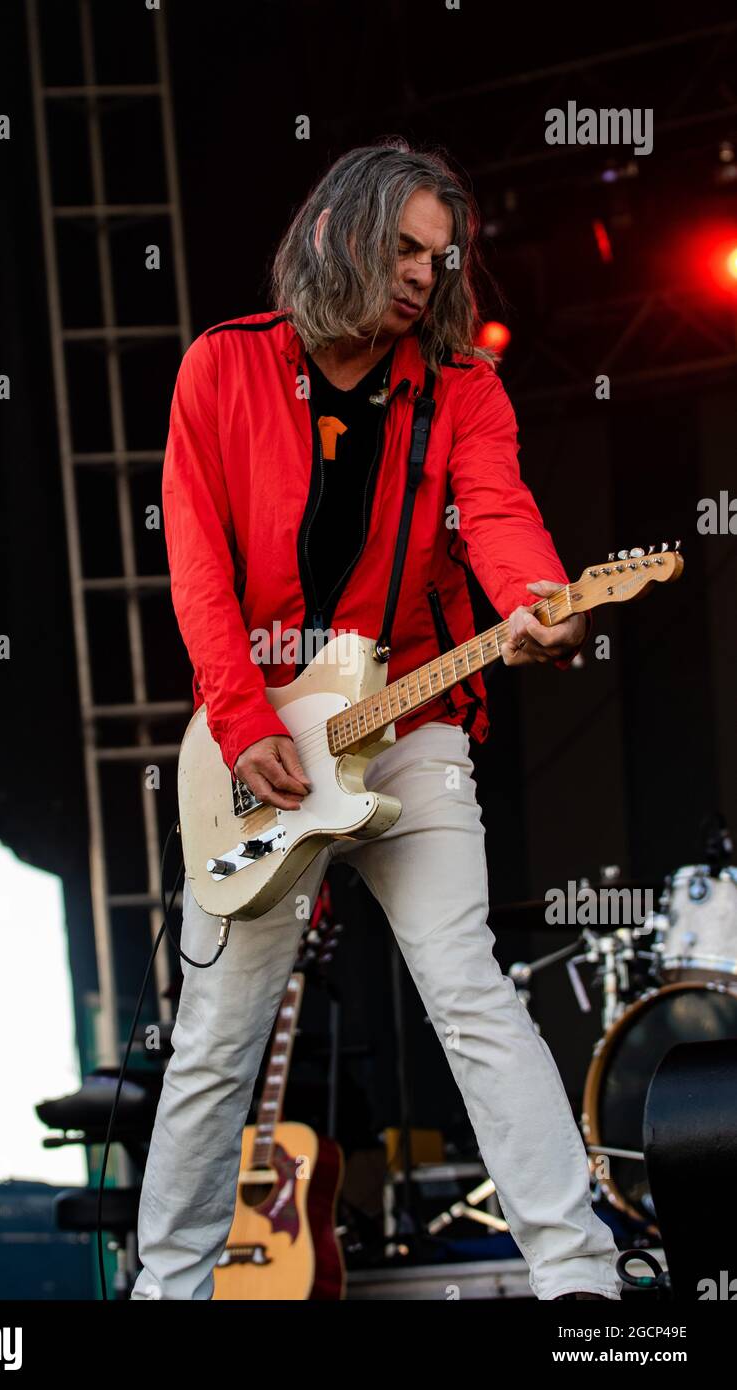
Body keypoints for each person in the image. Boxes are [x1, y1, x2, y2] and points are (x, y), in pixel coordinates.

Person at [131, 140, 621, 1301]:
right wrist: (241, 713)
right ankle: (167, 1292)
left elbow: (495, 513)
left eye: (437, 257)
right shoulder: (223, 367)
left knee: (468, 986)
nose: (421, 274)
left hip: (412, 716)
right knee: (214, 1039)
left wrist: (536, 599)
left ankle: (582, 1284)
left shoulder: (461, 388)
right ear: (336, 231)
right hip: (263, 741)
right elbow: (195, 560)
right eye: (402, 247)